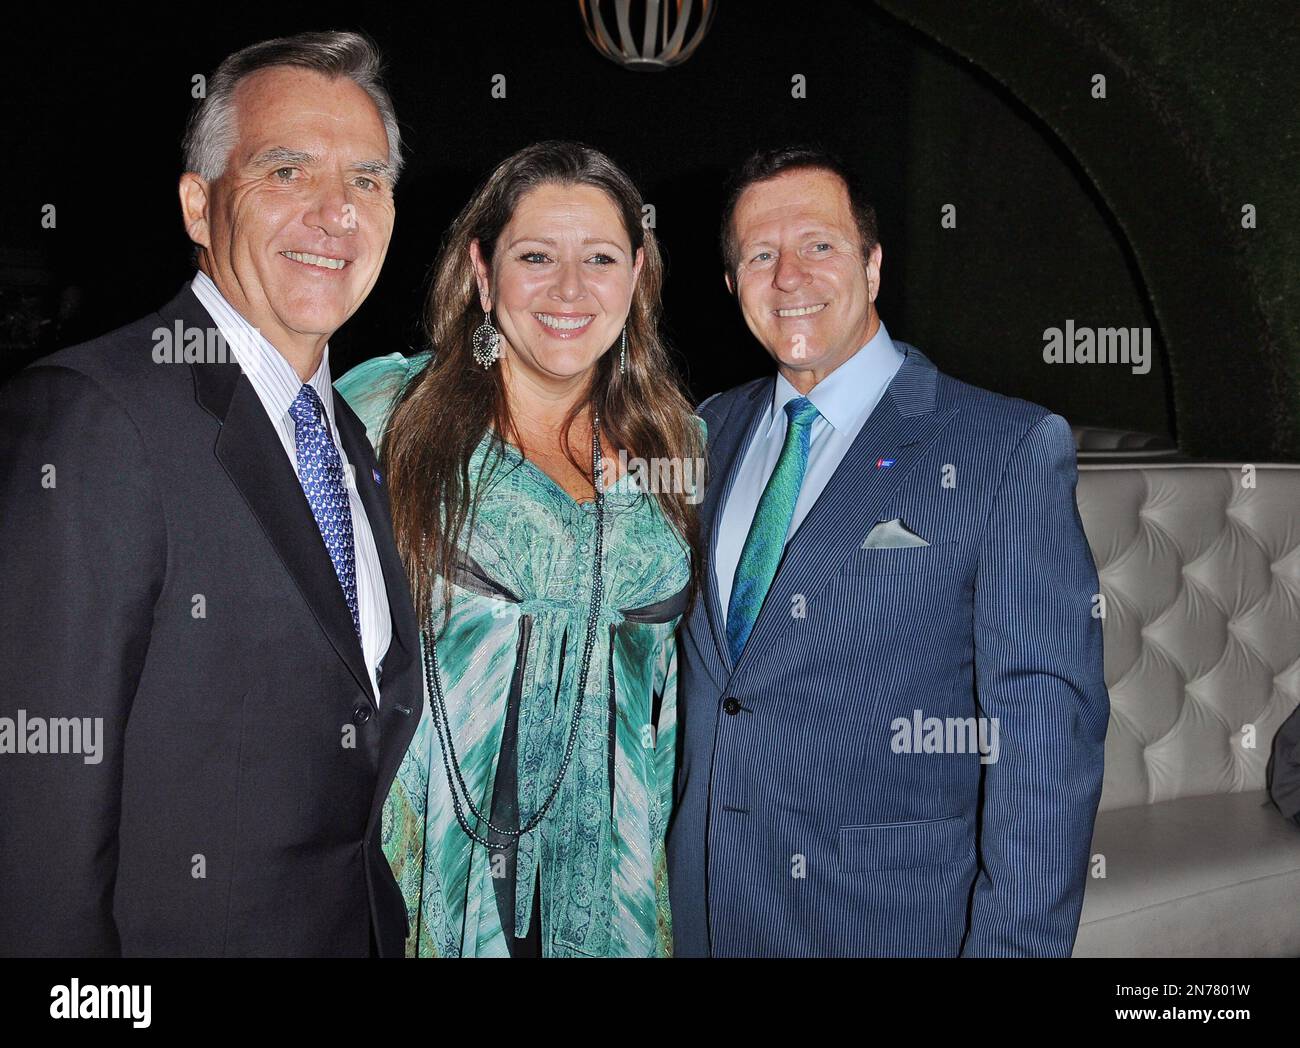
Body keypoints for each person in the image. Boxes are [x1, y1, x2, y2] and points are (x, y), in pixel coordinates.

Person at [0, 31, 422, 957]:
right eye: (286, 171)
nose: (335, 214)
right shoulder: (93, 414)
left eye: (367, 180)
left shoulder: (351, 434)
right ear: (199, 205)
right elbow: (34, 824)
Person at [666, 146, 1110, 957]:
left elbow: (1043, 745)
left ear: (872, 265)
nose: (788, 276)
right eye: (760, 255)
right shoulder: (705, 432)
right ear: (732, 287)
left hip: (885, 922)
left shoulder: (1004, 447)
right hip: (707, 910)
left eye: (819, 246)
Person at [336, 141, 704, 957]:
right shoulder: (384, 414)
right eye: (535, 256)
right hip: (425, 876)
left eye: (600, 258)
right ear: (481, 269)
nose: (569, 289)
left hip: (613, 893)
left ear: (637, 273)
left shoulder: (680, 447)